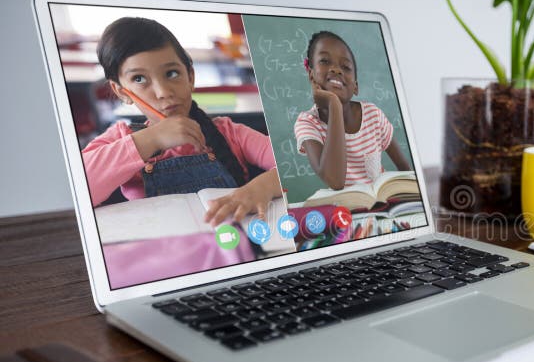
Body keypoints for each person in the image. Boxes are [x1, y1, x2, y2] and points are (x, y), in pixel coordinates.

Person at [82, 17, 282, 227]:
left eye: (172, 73)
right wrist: (151, 139)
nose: (163, 92)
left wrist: (261, 188)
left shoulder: (229, 133)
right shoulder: (122, 138)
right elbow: (79, 189)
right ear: (121, 92)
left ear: (190, 77)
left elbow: (298, 166)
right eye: (139, 79)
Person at [294, 31, 411, 190]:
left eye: (346, 67)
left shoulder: (373, 115)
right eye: (325, 61)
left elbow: (405, 169)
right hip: (343, 212)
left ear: (355, 86)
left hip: (381, 205)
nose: (336, 69)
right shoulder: (307, 123)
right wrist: (334, 104)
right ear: (311, 75)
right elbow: (335, 181)